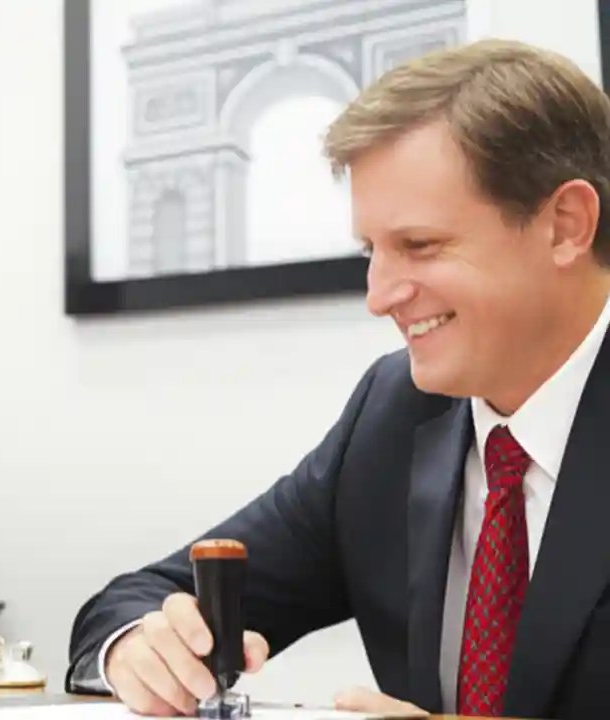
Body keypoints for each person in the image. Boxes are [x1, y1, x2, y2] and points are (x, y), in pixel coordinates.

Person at [67, 38, 610, 720]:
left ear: (566, 226)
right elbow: (141, 596)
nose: (379, 296)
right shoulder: (394, 413)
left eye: (419, 246)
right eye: (370, 252)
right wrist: (137, 647)